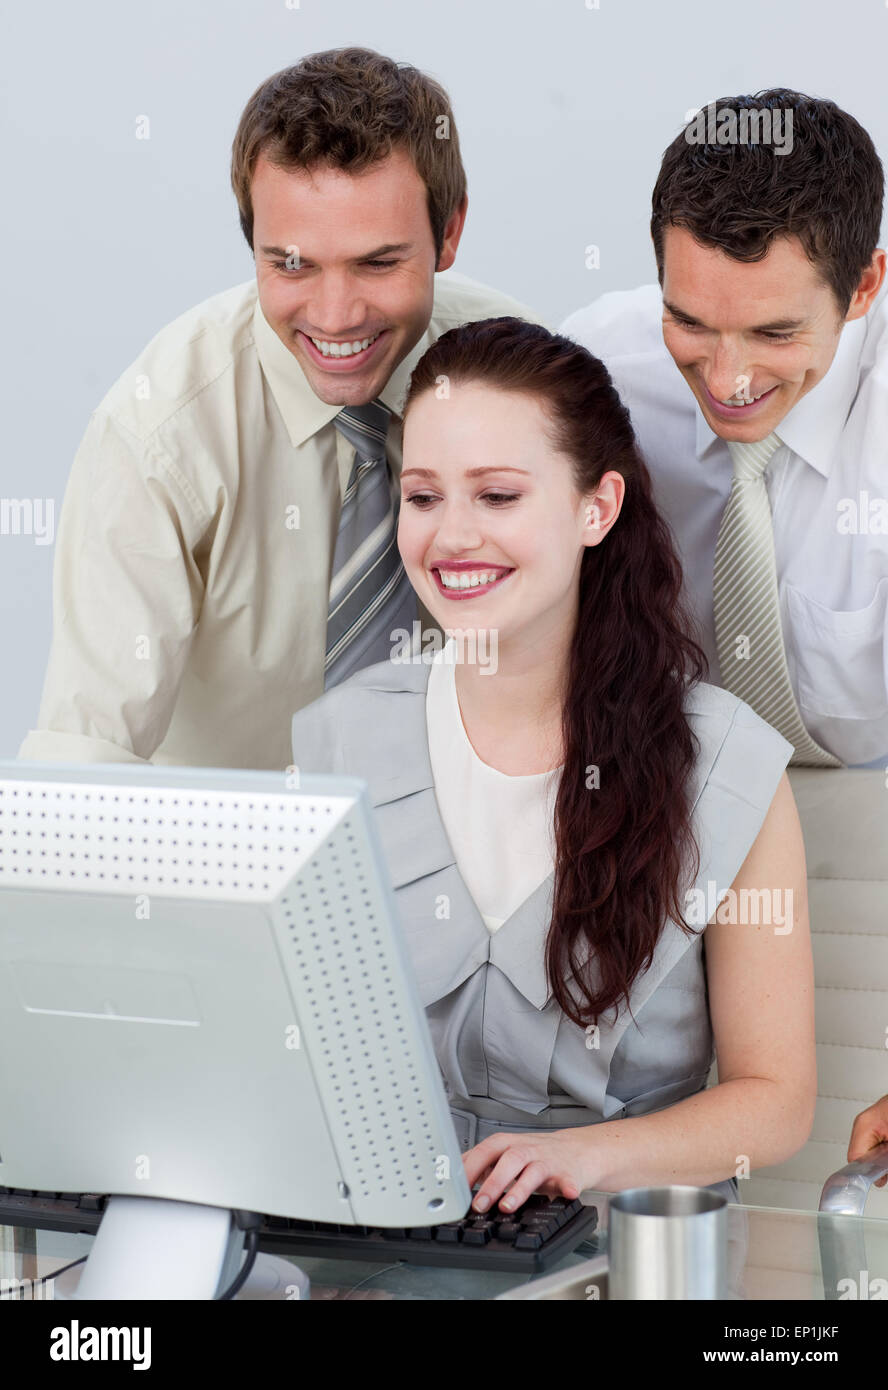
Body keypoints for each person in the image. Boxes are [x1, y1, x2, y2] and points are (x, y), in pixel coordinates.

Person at [290, 316, 816, 1211]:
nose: (452, 537)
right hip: (387, 1243)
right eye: (423, 497)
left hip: (630, 1248)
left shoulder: (725, 767)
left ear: (596, 508)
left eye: (497, 496)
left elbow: (775, 1103)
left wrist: (585, 1159)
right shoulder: (342, 743)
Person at [18, 47, 545, 772]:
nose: (335, 316)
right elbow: (86, 757)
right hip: (219, 862)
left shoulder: (523, 381)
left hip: (472, 851)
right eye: (292, 264)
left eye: (379, 262)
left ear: (448, 233)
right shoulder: (158, 434)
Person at [560, 89, 887, 770]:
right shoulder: (596, 369)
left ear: (862, 288)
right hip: (660, 798)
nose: (727, 381)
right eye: (691, 323)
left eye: (774, 332)